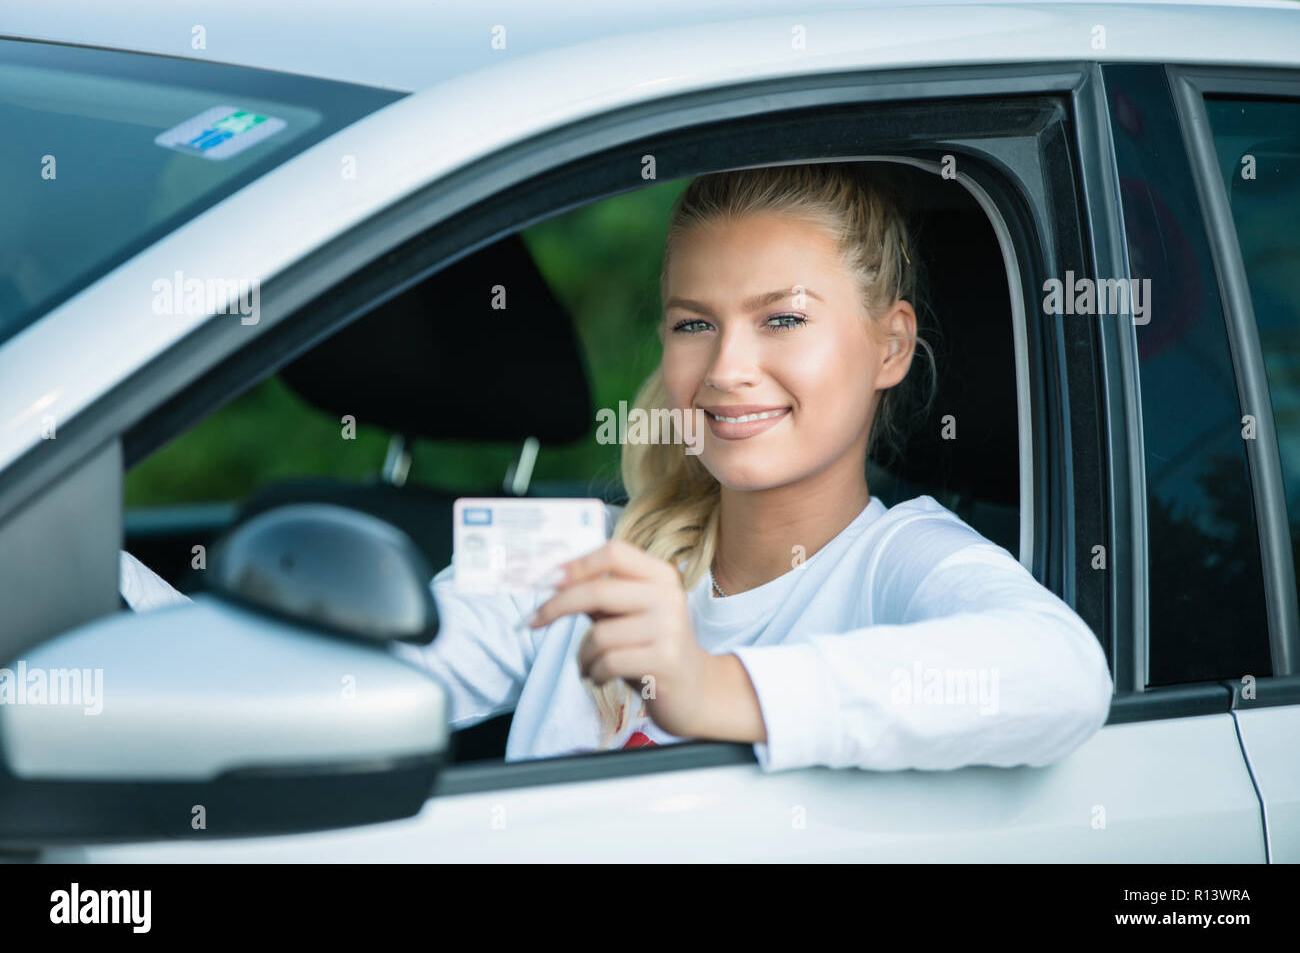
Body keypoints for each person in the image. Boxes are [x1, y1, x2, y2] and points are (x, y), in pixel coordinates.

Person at [122, 162, 1115, 773]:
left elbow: (1063, 676)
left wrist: (715, 685)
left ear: (889, 346)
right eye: (693, 323)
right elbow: (336, 685)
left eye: (782, 319)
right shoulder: (587, 551)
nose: (726, 368)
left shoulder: (905, 563)